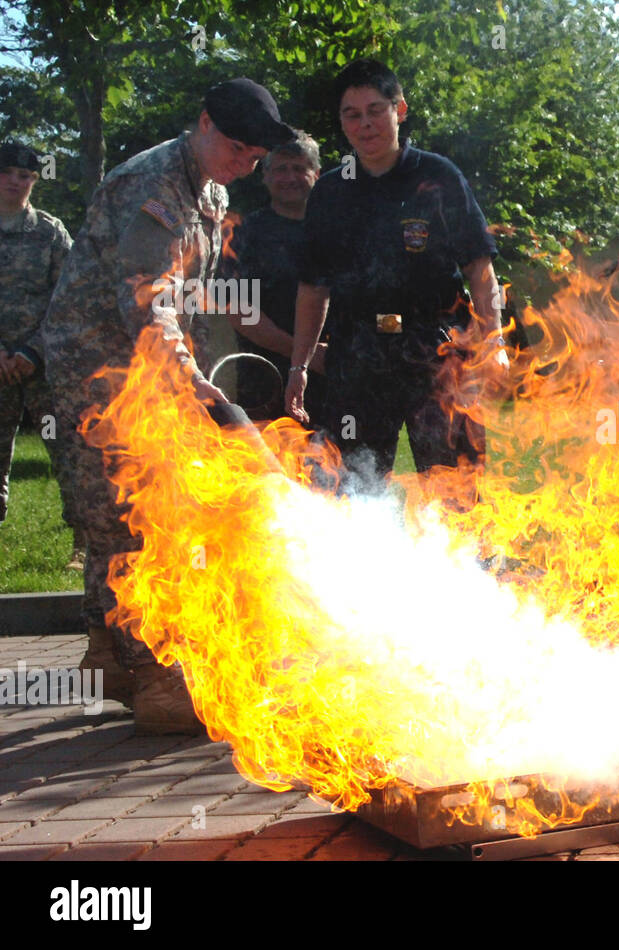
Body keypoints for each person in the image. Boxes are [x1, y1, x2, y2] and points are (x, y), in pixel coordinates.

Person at [41, 78, 294, 734]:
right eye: (238, 149)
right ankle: (154, 673)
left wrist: (196, 378)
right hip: (103, 370)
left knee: (136, 510)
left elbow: (188, 298)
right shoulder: (150, 185)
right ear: (204, 123)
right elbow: (149, 299)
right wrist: (186, 377)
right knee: (130, 517)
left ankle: (108, 658)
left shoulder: (211, 186)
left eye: (256, 157)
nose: (247, 165)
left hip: (153, 366)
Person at [284, 59, 505, 480]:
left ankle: (466, 551)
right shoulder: (330, 192)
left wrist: (493, 341)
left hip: (437, 354)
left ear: (399, 110)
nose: (364, 124)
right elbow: (313, 290)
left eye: (375, 110)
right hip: (358, 358)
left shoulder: (438, 177)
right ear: (341, 121)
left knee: (454, 488)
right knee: (352, 487)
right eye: (352, 114)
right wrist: (300, 366)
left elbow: (480, 268)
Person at [0, 142, 79, 562]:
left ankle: (82, 545)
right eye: (8, 172)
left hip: (43, 370)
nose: (16, 181)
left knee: (64, 450)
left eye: (25, 175)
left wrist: (31, 351)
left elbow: (66, 299)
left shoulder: (49, 233)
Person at [221, 130, 327, 419]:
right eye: (280, 168)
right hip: (265, 382)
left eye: (299, 168)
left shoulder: (339, 231)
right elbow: (237, 309)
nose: (289, 177)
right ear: (264, 176)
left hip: (336, 385)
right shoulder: (242, 234)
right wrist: (305, 356)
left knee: (346, 465)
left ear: (317, 174)